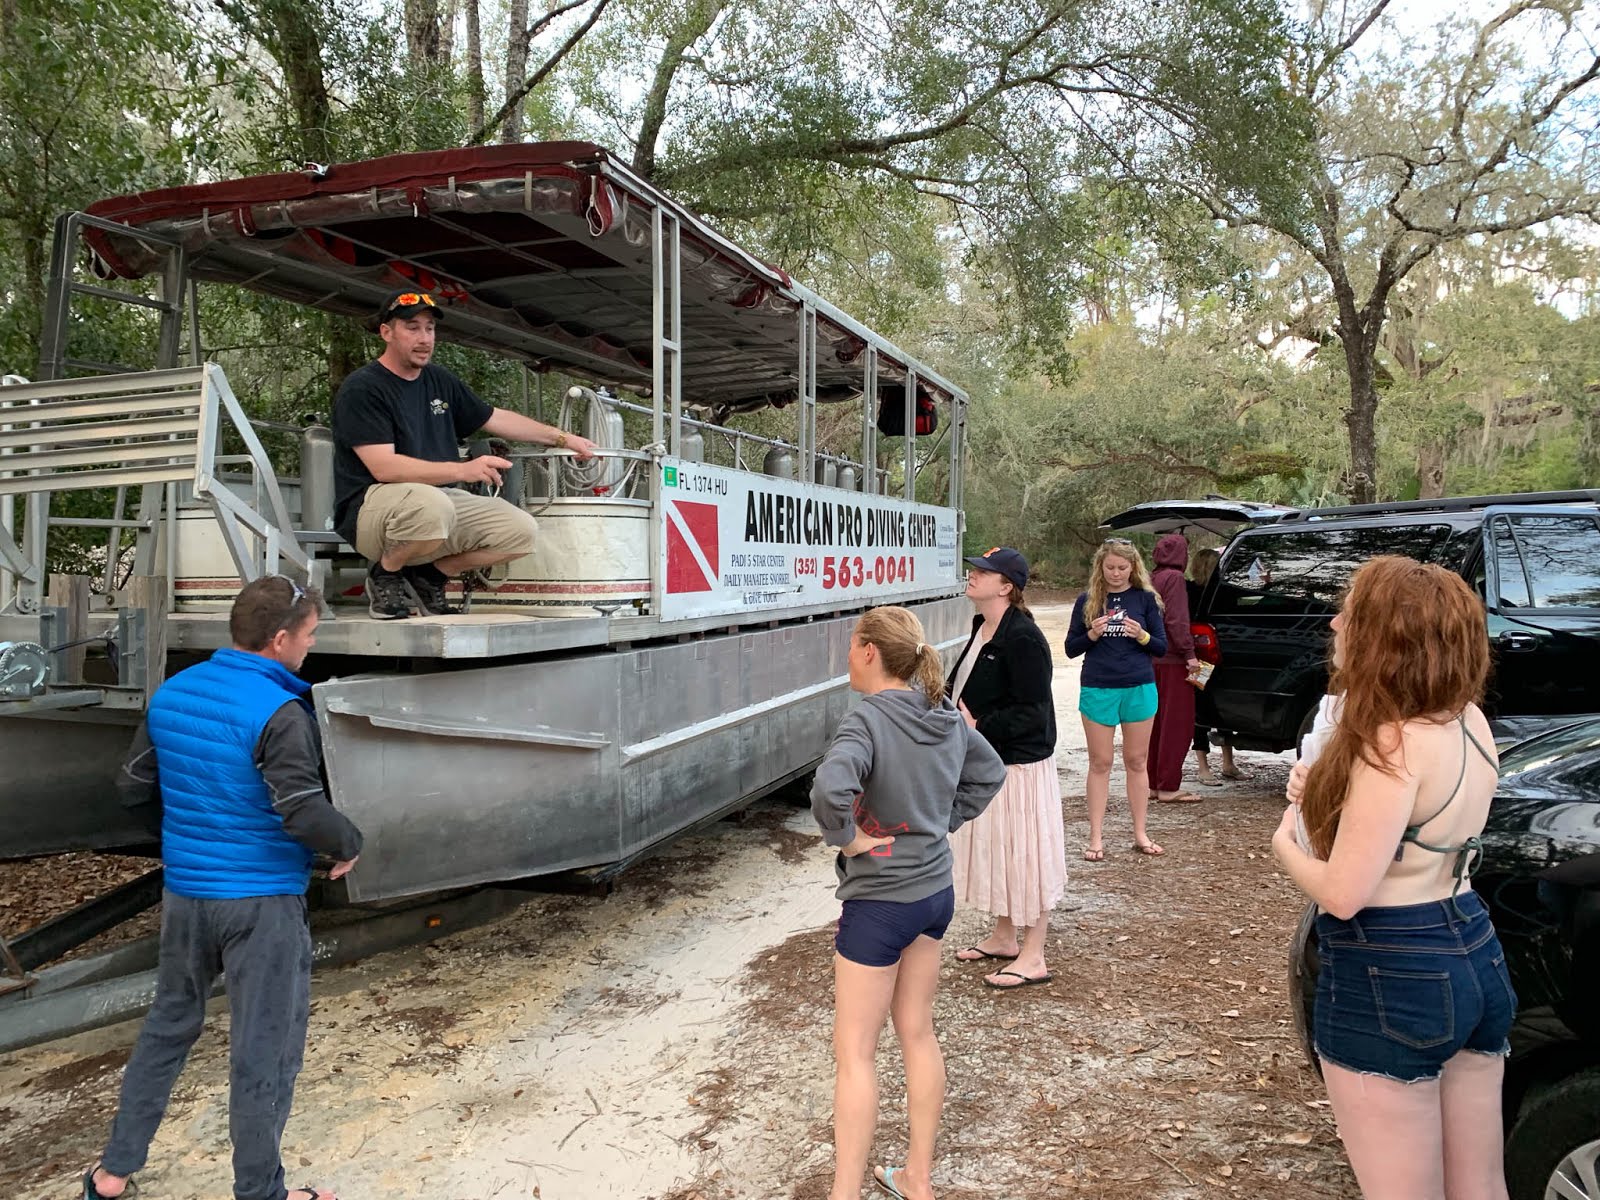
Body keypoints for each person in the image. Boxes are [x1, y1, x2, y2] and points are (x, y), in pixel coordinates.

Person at [82, 576, 363, 1200]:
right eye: (310, 636)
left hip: (188, 897)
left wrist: (190, 839)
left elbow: (133, 786)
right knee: (265, 1050)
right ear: (280, 639)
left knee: (167, 1029)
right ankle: (262, 1191)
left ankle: (110, 1175)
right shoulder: (279, 714)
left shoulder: (174, 693)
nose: (311, 648)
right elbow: (302, 812)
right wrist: (349, 843)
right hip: (260, 905)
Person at [1274, 556, 1509, 1200]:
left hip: (1391, 967)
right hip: (1474, 946)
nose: (1335, 622)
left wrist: (1284, 840)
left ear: (1386, 637)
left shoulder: (1392, 744)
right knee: (1481, 1181)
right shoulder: (1471, 721)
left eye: (1350, 613)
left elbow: (1343, 893)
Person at [810, 606, 1006, 1200]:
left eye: (851, 643)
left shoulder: (865, 721)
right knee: (917, 1032)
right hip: (933, 896)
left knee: (856, 1056)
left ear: (870, 651)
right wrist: (940, 822)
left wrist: (850, 838)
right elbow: (990, 772)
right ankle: (916, 1179)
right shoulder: (943, 712)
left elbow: (828, 792)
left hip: (880, 904)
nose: (847, 653)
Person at [332, 289, 599, 620]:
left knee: (520, 531)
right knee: (434, 505)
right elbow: (384, 468)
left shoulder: (439, 381)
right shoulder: (363, 388)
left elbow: (495, 418)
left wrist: (563, 438)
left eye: (430, 328)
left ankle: (430, 576)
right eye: (412, 327)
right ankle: (386, 573)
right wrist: (462, 470)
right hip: (370, 510)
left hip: (432, 506)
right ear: (386, 332)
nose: (424, 338)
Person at [944, 547, 1067, 989]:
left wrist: (980, 725)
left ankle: (1034, 955)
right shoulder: (983, 626)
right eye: (974, 570)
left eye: (983, 572)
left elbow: (1033, 714)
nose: (973, 576)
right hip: (989, 762)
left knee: (1028, 855)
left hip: (1020, 767)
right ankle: (1004, 936)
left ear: (1007, 587)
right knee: (1001, 850)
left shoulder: (1024, 639)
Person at [1065, 538, 1167, 859]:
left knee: (1137, 761)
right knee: (1101, 762)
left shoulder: (1146, 600)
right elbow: (1070, 648)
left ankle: (1140, 832)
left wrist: (1142, 635)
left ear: (1133, 568)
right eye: (1110, 567)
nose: (1116, 573)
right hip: (1098, 687)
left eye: (1122, 567)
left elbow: (1161, 647)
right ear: (1100, 567)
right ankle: (1096, 837)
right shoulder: (1087, 601)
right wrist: (1092, 633)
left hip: (1138, 686)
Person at [1147, 533, 1203, 804]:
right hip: (1172, 661)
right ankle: (1169, 785)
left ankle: (1153, 783)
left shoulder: (1149, 577)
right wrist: (1190, 653)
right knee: (1177, 724)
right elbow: (1177, 620)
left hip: (1150, 658)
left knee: (1154, 723)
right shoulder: (1175, 579)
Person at [1187, 547, 1249, 786]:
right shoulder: (1202, 591)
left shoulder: (1193, 590)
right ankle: (1211, 765)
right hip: (1205, 659)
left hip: (1203, 659)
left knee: (1209, 708)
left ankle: (1221, 764)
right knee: (1205, 710)